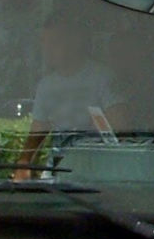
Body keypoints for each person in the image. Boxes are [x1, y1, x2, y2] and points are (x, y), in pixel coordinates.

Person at [17, 14, 129, 178]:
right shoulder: (45, 85)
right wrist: (23, 165)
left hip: (97, 167)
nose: (47, 50)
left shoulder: (102, 77)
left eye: (54, 42)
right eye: (44, 43)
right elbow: (38, 128)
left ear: (75, 42)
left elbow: (120, 126)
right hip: (59, 167)